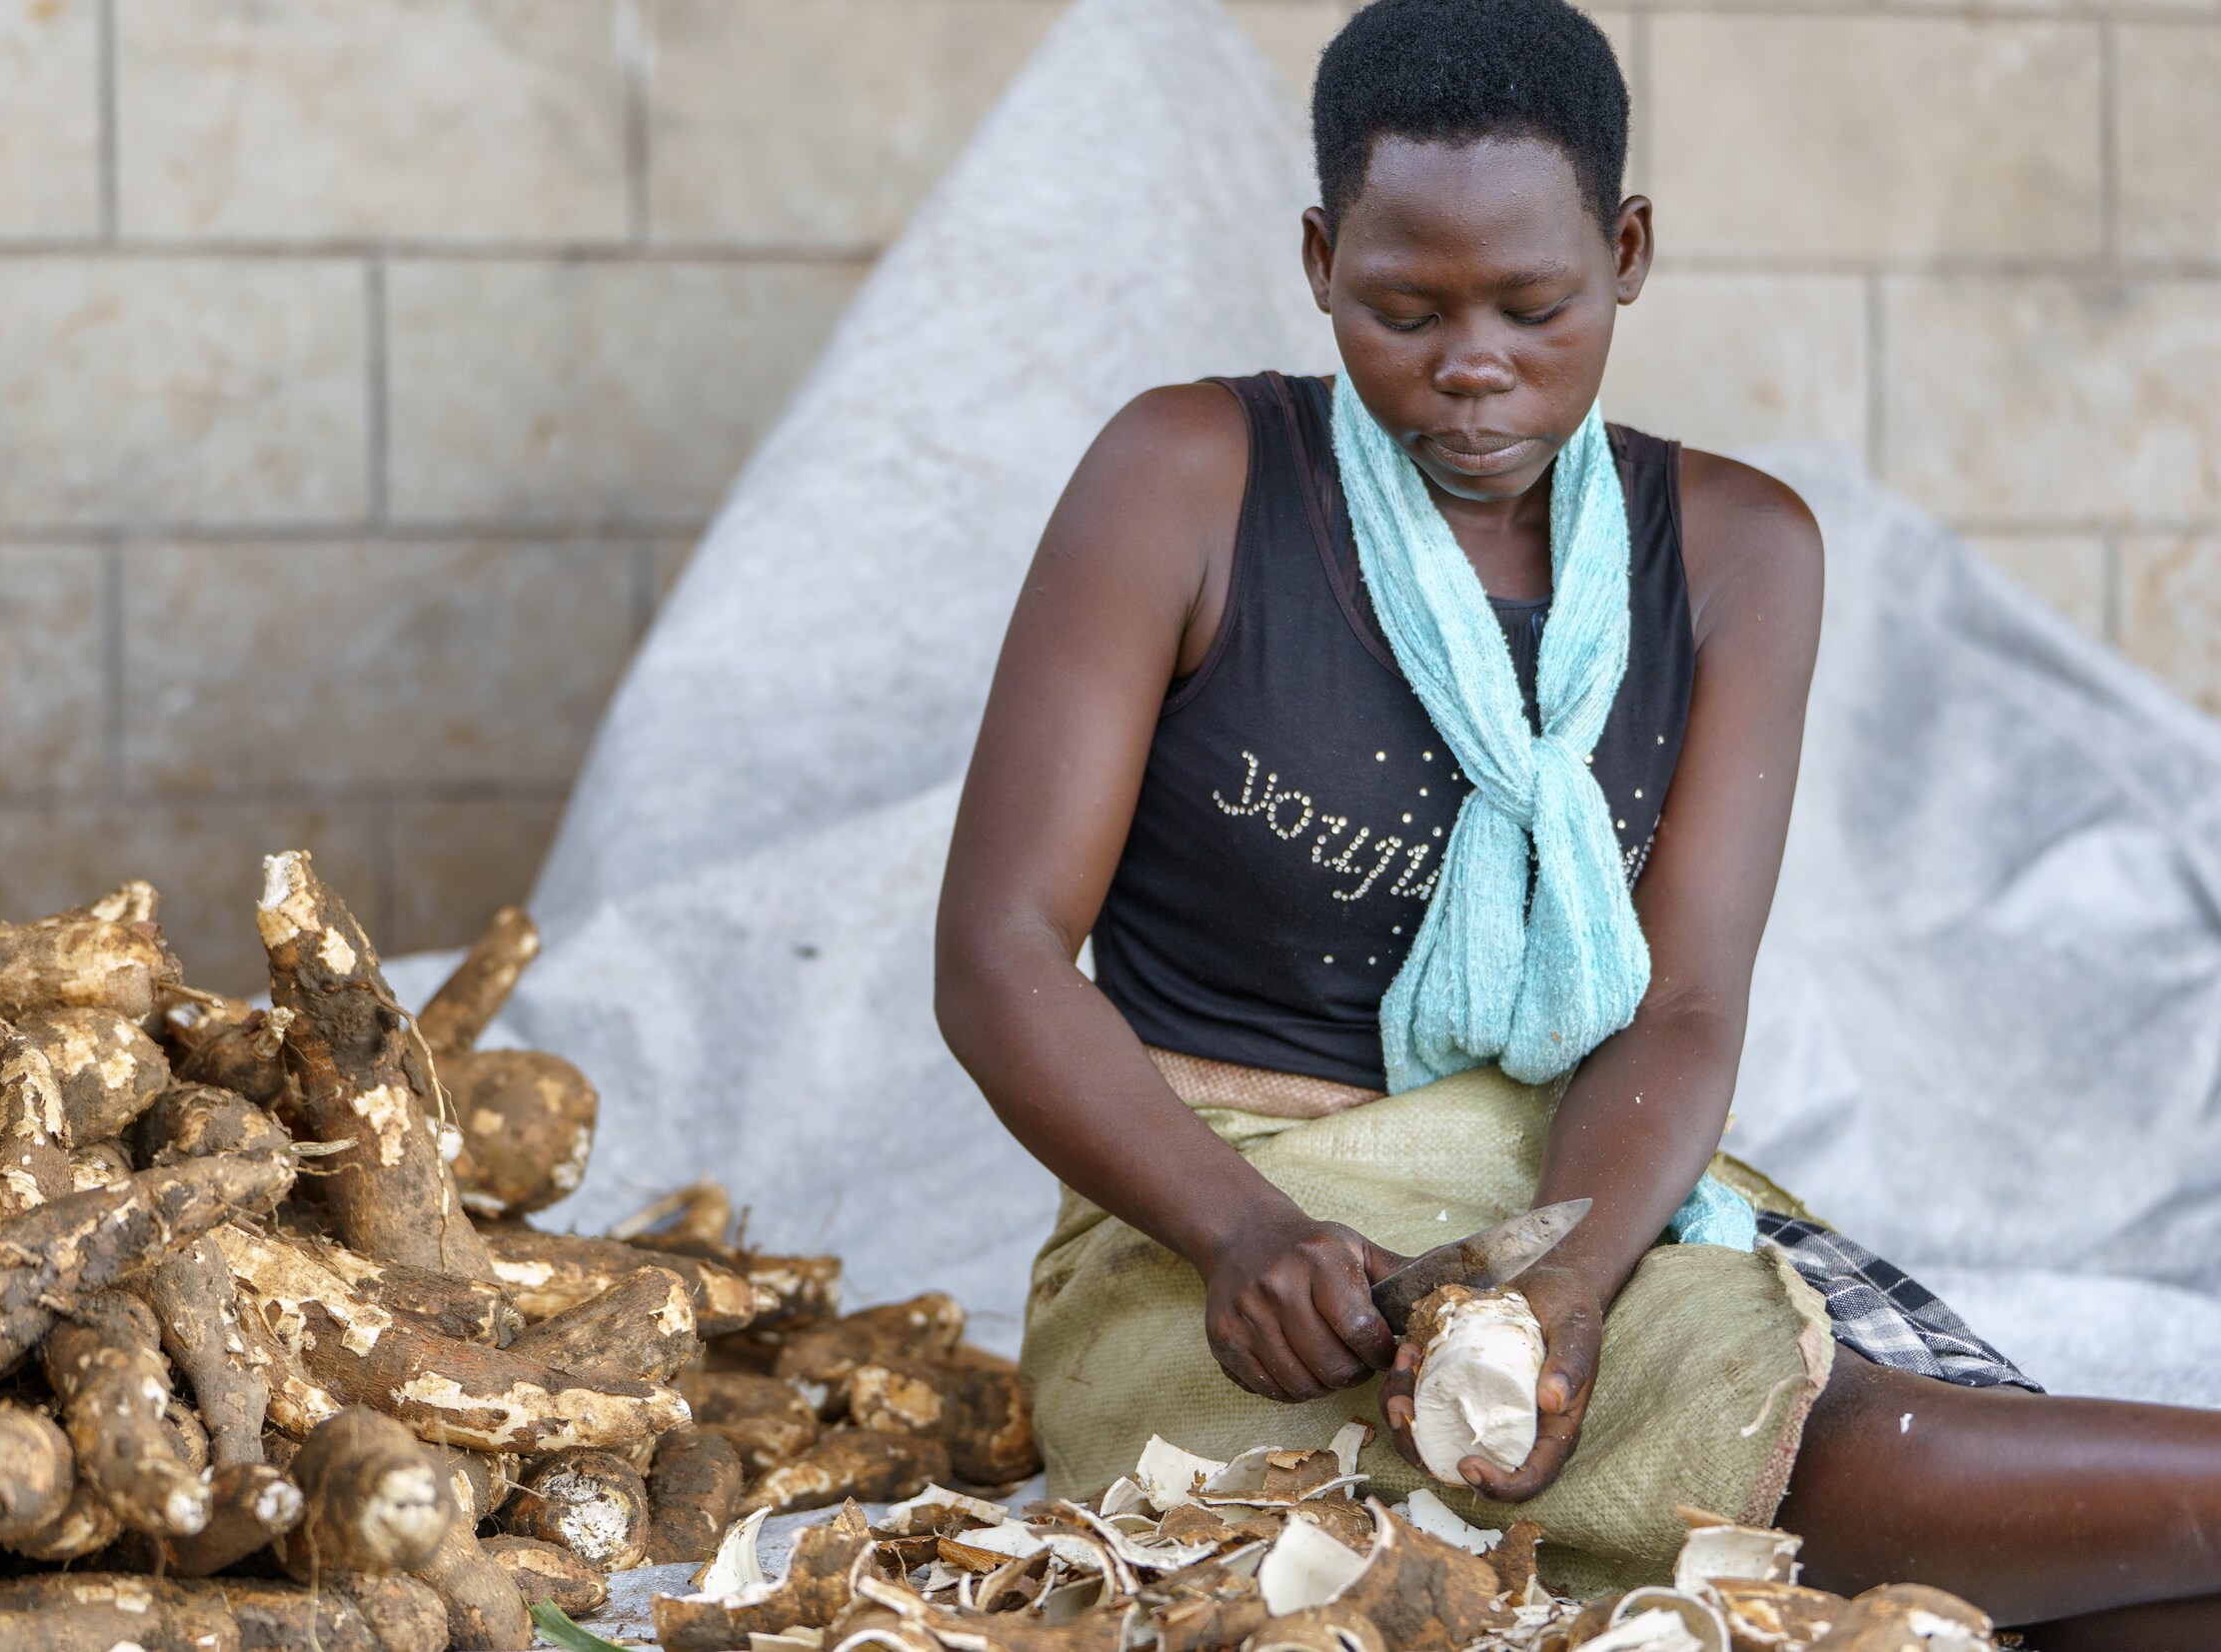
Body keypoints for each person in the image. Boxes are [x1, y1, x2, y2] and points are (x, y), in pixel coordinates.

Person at [933, 0, 2221, 1640]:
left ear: (1627, 252)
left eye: (1534, 306)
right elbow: (998, 950)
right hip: (1232, 1266)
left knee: (2086, 1581)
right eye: (1405, 308)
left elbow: (1684, 1007)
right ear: (1321, 260)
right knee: (1818, 1458)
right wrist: (1235, 1225)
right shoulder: (1191, 479)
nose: (1473, 366)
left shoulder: (1744, 554)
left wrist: (1568, 1280)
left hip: (1580, 1196)